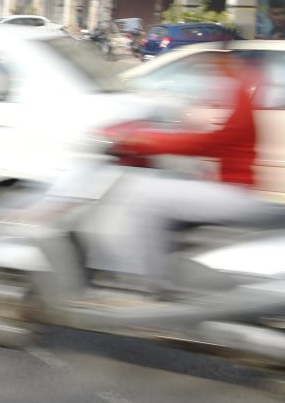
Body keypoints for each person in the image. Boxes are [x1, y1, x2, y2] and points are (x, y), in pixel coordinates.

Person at [90, 51, 275, 298]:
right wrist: (147, 135)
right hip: (225, 186)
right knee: (150, 186)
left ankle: (150, 285)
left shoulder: (237, 97)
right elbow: (198, 134)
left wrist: (143, 141)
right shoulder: (235, 94)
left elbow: (201, 143)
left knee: (146, 199)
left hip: (231, 192)